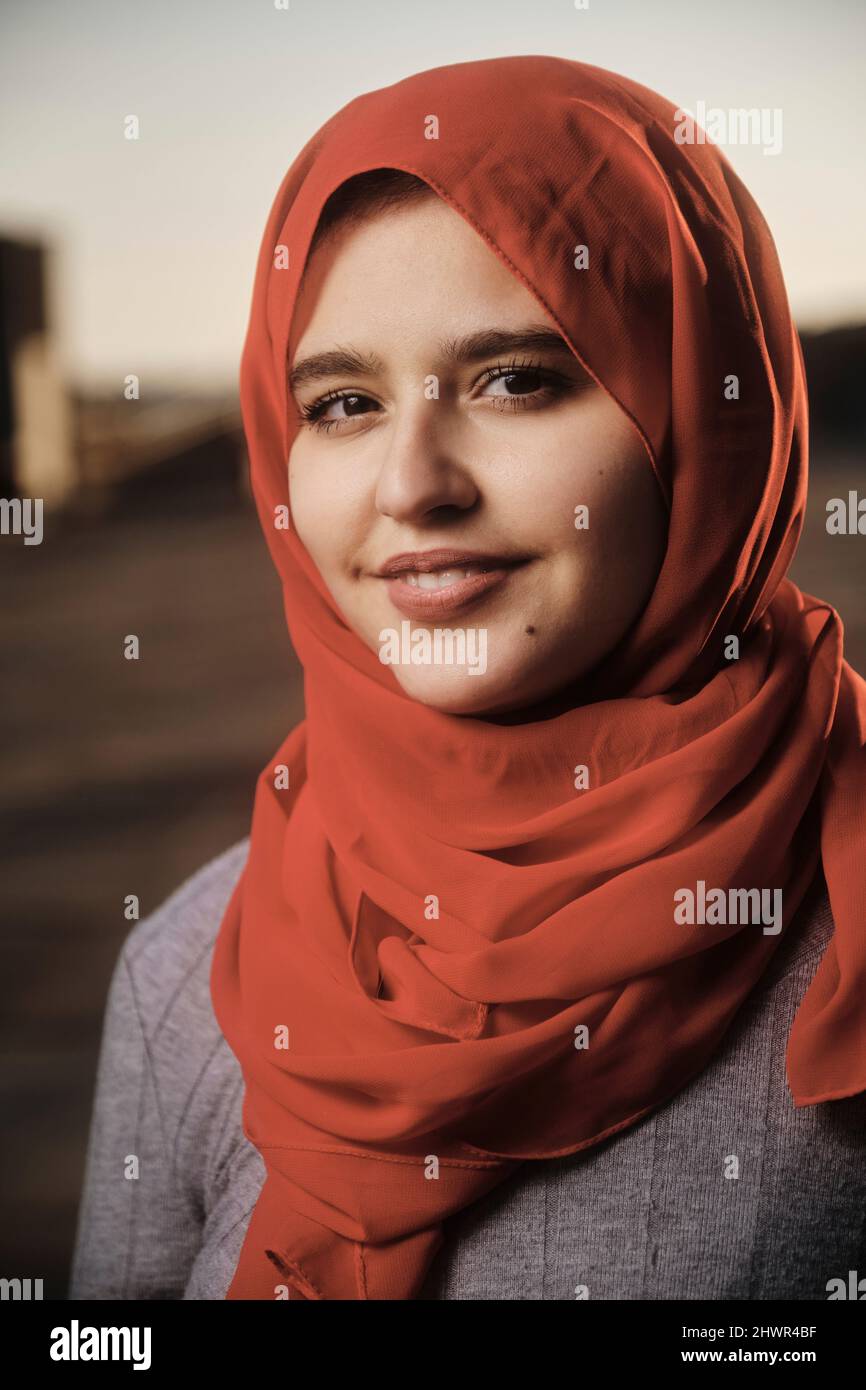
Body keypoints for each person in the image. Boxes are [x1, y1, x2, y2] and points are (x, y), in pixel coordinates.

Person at [69, 54, 866, 1302]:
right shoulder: (185, 974)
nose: (410, 484)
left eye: (514, 379)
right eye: (340, 403)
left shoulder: (839, 934)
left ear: (710, 409)